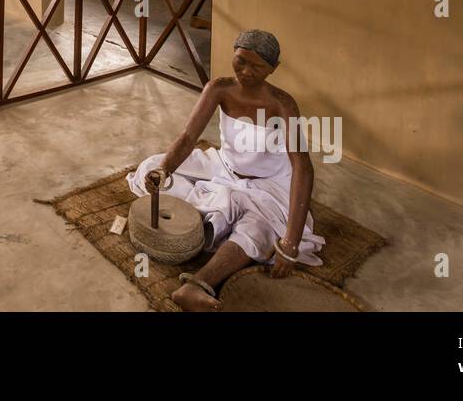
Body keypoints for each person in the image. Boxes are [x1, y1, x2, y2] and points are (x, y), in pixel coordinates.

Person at [127, 29, 325, 312]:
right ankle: (218, 221)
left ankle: (196, 284)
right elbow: (187, 138)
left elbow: (302, 169)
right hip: (224, 166)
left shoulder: (282, 104)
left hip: (268, 183)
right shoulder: (218, 89)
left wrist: (291, 242)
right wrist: (165, 169)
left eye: (258, 66)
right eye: (241, 60)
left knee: (258, 228)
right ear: (233, 54)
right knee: (151, 169)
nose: (246, 72)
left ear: (273, 69)